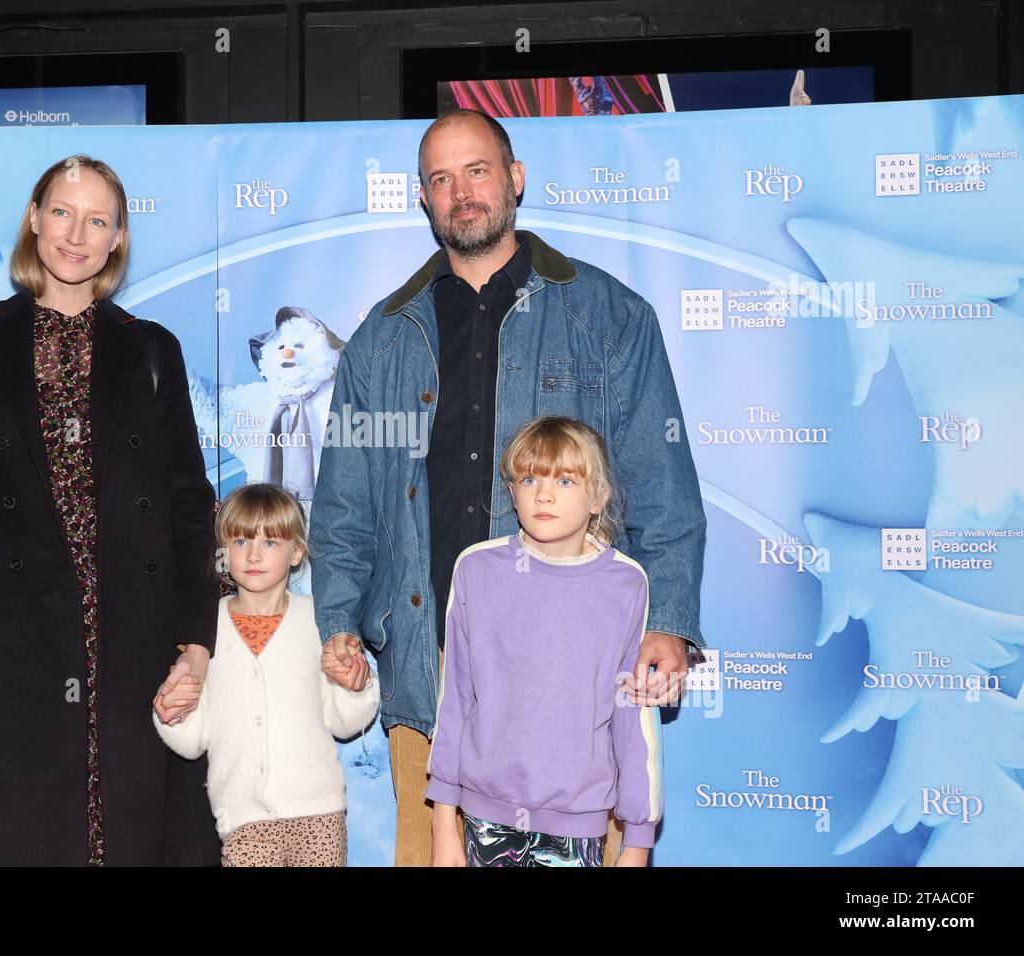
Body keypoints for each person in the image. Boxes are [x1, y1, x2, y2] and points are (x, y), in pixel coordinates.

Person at [310, 108, 705, 866]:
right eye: (440, 178)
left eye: (477, 170)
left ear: (515, 179)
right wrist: (340, 622)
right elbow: (343, 509)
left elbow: (662, 489)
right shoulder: (381, 341)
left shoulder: (610, 317)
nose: (460, 192)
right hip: (430, 690)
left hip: (582, 700)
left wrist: (670, 621)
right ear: (423, 200)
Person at [0, 154, 221, 865]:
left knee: (136, 836)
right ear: (35, 221)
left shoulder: (151, 348)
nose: (77, 233)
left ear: (118, 240)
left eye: (97, 220)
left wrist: (195, 642)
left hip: (137, 637)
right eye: (63, 213)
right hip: (23, 637)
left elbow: (191, 504)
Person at [428, 416, 660, 867]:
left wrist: (637, 843)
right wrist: (443, 827)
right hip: (483, 819)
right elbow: (454, 699)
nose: (544, 494)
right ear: (511, 491)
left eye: (567, 480)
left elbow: (634, 720)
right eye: (529, 478)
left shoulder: (625, 584)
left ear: (599, 497)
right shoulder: (476, 570)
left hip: (577, 827)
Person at [154, 482, 380, 866]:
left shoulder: (319, 620)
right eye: (241, 541)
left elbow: (345, 723)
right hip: (244, 822)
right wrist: (171, 713)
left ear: (297, 553)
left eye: (271, 542)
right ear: (223, 551)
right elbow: (194, 741)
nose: (254, 554)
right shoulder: (205, 631)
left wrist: (355, 686)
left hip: (319, 818)